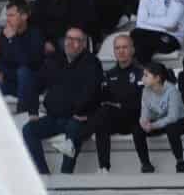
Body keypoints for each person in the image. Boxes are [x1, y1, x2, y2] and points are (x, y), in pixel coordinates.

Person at [22, 26, 103, 175]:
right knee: (28, 130)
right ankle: (43, 174)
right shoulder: (54, 60)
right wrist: (33, 111)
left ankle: (66, 175)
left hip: (77, 118)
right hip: (54, 118)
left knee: (74, 129)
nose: (71, 43)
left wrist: (79, 111)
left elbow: (92, 92)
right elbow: (35, 85)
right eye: (68, 39)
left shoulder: (92, 63)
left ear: (84, 44)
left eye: (76, 40)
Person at [74, 33, 144, 173]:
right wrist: (88, 115)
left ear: (132, 50)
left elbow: (142, 101)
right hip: (114, 119)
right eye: (117, 48)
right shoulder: (109, 74)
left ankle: (76, 140)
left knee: (104, 112)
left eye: (125, 47)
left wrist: (118, 105)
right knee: (101, 119)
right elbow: (100, 99)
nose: (121, 51)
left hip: (136, 120)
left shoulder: (142, 73)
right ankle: (104, 168)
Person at [135, 60, 184, 173]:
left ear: (157, 78)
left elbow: (173, 117)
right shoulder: (146, 91)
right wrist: (144, 123)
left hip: (181, 121)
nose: (143, 78)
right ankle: (146, 164)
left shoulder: (172, 91)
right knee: (137, 130)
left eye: (146, 75)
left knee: (171, 127)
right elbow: (144, 112)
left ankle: (180, 162)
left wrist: (153, 125)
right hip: (160, 122)